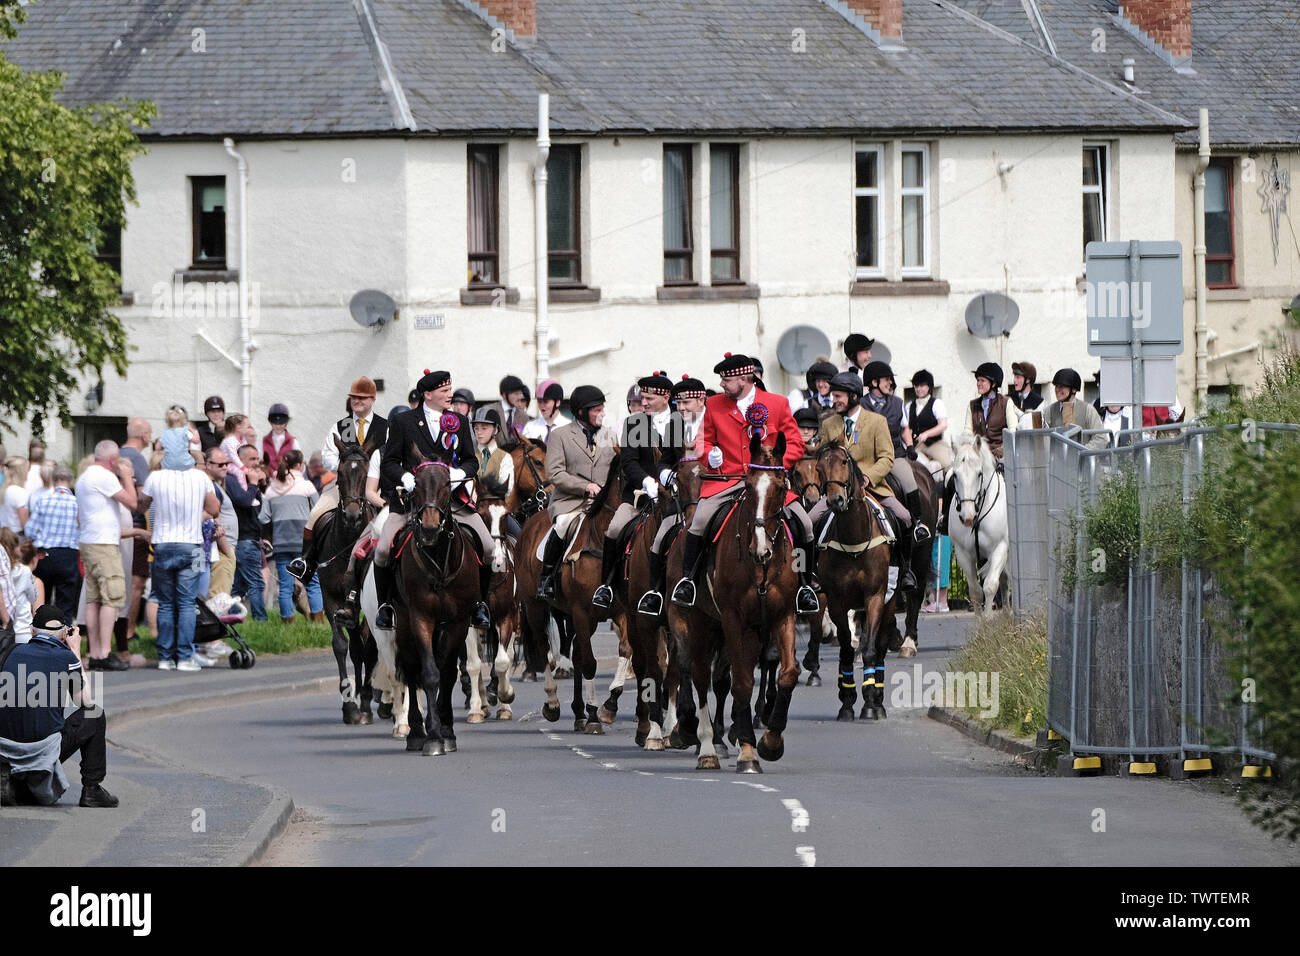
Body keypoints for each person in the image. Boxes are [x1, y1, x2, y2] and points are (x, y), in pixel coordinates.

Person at [670, 353, 818, 615]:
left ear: (745, 378)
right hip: (726, 480)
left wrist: (780, 465)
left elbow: (795, 442)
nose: (722, 384)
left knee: (804, 524)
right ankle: (688, 581)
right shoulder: (714, 405)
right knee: (699, 521)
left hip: (767, 481)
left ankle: (805, 583)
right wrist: (709, 454)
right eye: (722, 380)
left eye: (727, 379)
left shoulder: (777, 403)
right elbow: (704, 442)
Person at [373, 370, 493, 631]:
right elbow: (389, 463)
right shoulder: (403, 422)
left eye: (450, 389)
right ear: (428, 394)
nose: (450, 394)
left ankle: (479, 605)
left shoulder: (459, 422)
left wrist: (460, 473)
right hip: (412, 501)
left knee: (489, 546)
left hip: (452, 500)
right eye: (444, 390)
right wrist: (405, 477)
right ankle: (386, 607)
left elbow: (471, 460)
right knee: (382, 550)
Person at [0, 605, 118, 808]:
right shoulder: (66, 658)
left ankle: (16, 781)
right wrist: (75, 652)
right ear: (65, 633)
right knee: (95, 715)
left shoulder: (11, 652)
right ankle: (92, 789)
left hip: (5, 747)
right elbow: (85, 702)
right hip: (44, 749)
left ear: (32, 631)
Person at [814, 371, 922, 587]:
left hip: (872, 488)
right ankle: (811, 578)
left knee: (905, 518)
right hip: (837, 490)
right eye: (833, 396)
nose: (833, 400)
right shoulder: (828, 424)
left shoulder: (876, 421)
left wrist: (868, 478)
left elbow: (886, 456)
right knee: (808, 522)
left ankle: (906, 570)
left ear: (853, 396)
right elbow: (824, 458)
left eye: (838, 396)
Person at [592, 372, 682, 610]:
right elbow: (629, 462)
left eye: (649, 398)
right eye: (642, 398)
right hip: (639, 497)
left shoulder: (680, 421)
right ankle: (608, 586)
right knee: (614, 528)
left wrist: (674, 482)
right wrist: (647, 482)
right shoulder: (635, 423)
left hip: (676, 495)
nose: (643, 403)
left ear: (666, 397)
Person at [288, 378, 388, 585]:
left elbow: (390, 456)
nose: (356, 401)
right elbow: (327, 457)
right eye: (353, 398)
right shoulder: (340, 426)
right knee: (315, 514)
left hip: (374, 485)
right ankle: (306, 562)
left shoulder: (384, 427)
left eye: (361, 398)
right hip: (344, 484)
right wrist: (347, 465)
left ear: (372, 399)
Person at [139, 428, 220, 670]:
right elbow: (214, 508)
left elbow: (141, 504)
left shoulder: (156, 477)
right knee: (187, 602)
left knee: (165, 602)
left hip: (163, 544)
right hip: (193, 545)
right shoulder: (200, 477)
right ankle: (185, 656)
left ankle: (165, 657)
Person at [629, 374, 708, 616]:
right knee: (656, 535)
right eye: (679, 403)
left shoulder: (712, 420)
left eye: (648, 398)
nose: (681, 408)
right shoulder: (641, 424)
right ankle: (652, 591)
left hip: (714, 490)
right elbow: (658, 462)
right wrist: (662, 478)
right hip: (667, 493)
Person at [536, 385, 619, 601]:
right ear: (581, 412)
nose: (602, 413)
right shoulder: (560, 435)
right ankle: (547, 578)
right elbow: (555, 473)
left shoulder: (610, 435)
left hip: (603, 503)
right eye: (596, 409)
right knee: (562, 525)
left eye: (603, 408)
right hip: (570, 501)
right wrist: (585, 486)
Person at [75, 441, 137, 671]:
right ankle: (104, 652)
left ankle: (95, 652)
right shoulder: (105, 476)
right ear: (113, 460)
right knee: (111, 595)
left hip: (89, 541)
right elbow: (132, 503)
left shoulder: (84, 477)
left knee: (94, 598)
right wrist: (127, 477)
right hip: (103, 543)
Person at [862, 361, 932, 545]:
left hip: (893, 456)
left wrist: (909, 446)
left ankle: (917, 524)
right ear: (874, 382)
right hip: (867, 459)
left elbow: (904, 428)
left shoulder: (897, 402)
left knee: (910, 482)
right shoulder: (861, 405)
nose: (890, 383)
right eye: (886, 380)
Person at [259, 449, 323, 625]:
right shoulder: (307, 486)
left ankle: (288, 625)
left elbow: (264, 517)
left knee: (285, 588)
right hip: (304, 544)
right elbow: (318, 510)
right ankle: (318, 623)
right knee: (312, 583)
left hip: (281, 544)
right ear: (300, 465)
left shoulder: (272, 488)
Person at [24, 465, 81, 624]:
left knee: (41, 601)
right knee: (66, 602)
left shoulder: (43, 500)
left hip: (45, 554)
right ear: (71, 481)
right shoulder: (77, 503)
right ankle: (65, 639)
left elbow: (30, 530)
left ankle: (42, 636)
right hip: (68, 555)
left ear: (53, 480)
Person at [118, 418, 153, 663]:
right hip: (136, 526)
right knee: (136, 582)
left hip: (118, 525)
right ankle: (128, 632)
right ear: (143, 435)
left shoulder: (117, 453)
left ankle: (119, 632)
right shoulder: (137, 459)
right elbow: (143, 495)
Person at [225, 443, 268, 621]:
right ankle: (261, 620)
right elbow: (243, 501)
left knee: (239, 587)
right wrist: (252, 484)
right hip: (243, 538)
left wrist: (260, 486)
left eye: (257, 458)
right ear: (240, 459)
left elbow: (256, 504)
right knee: (256, 583)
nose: (256, 463)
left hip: (250, 537)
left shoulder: (245, 478)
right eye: (252, 459)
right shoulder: (232, 478)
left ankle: (232, 618)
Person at [1044, 368, 1108, 450]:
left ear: (1074, 389)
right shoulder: (1050, 410)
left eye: (1062, 386)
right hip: (1057, 460)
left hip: (1082, 461)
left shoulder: (1087, 409)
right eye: (1056, 386)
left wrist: (1082, 451)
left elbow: (1101, 438)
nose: (1057, 389)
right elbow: (1043, 438)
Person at [903, 369, 952, 474]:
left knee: (949, 466)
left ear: (929, 386)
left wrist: (926, 434)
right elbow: (907, 428)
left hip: (934, 444)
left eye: (922, 386)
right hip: (916, 445)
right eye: (916, 386)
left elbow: (942, 425)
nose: (919, 389)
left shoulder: (937, 403)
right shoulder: (908, 406)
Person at [1, 530, 37, 642]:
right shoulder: (24, 571)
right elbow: (33, 597)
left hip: (4, 627)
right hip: (23, 630)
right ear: (15, 547)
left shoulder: (4, 571)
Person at [262, 403, 297, 473]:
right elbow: (261, 461)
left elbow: (297, 462)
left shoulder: (293, 441)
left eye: (281, 423)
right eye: (275, 423)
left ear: (286, 423)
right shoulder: (264, 441)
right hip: (269, 479)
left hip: (287, 478)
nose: (278, 426)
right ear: (270, 423)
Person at [497, 375, 532, 440]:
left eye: (520, 393)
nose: (519, 397)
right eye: (516, 394)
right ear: (504, 395)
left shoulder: (524, 417)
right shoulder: (489, 411)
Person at [0, 458, 29, 534]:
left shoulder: (3, 490)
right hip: (17, 535)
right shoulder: (20, 493)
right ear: (21, 472)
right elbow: (24, 523)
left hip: (3, 534)